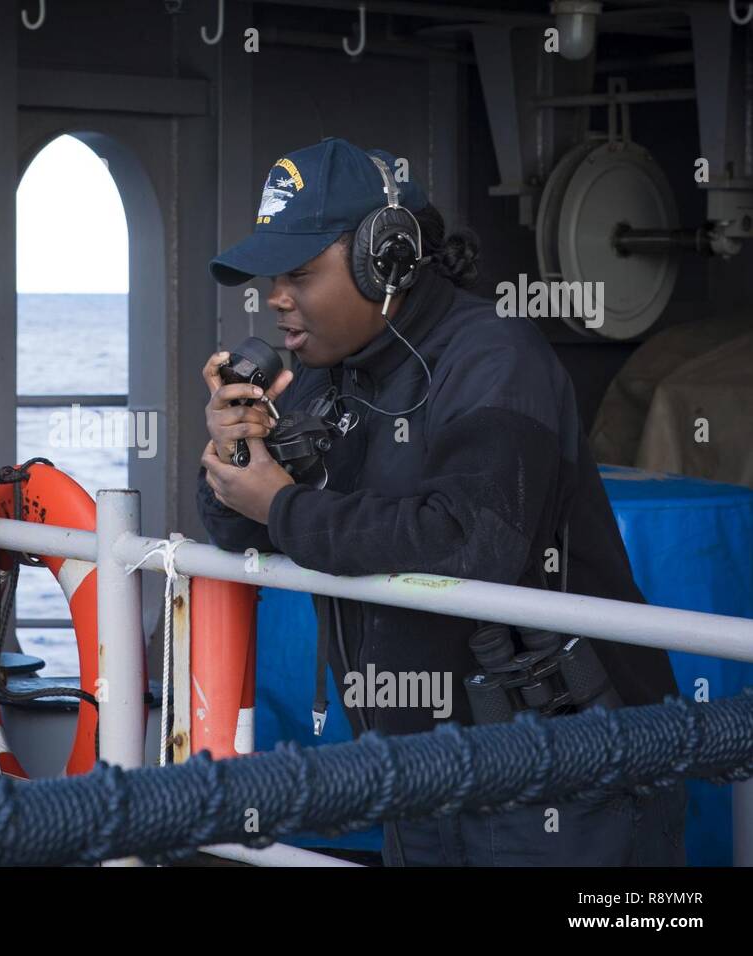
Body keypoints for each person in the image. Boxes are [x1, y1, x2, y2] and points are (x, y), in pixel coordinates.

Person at [197, 137, 686, 866]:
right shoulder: (331, 377)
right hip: (420, 768)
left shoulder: (497, 360)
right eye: (272, 278)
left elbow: (472, 540)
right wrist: (243, 462)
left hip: (558, 769)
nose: (275, 298)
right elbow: (254, 537)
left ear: (385, 257)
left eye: (299, 273)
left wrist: (282, 507)